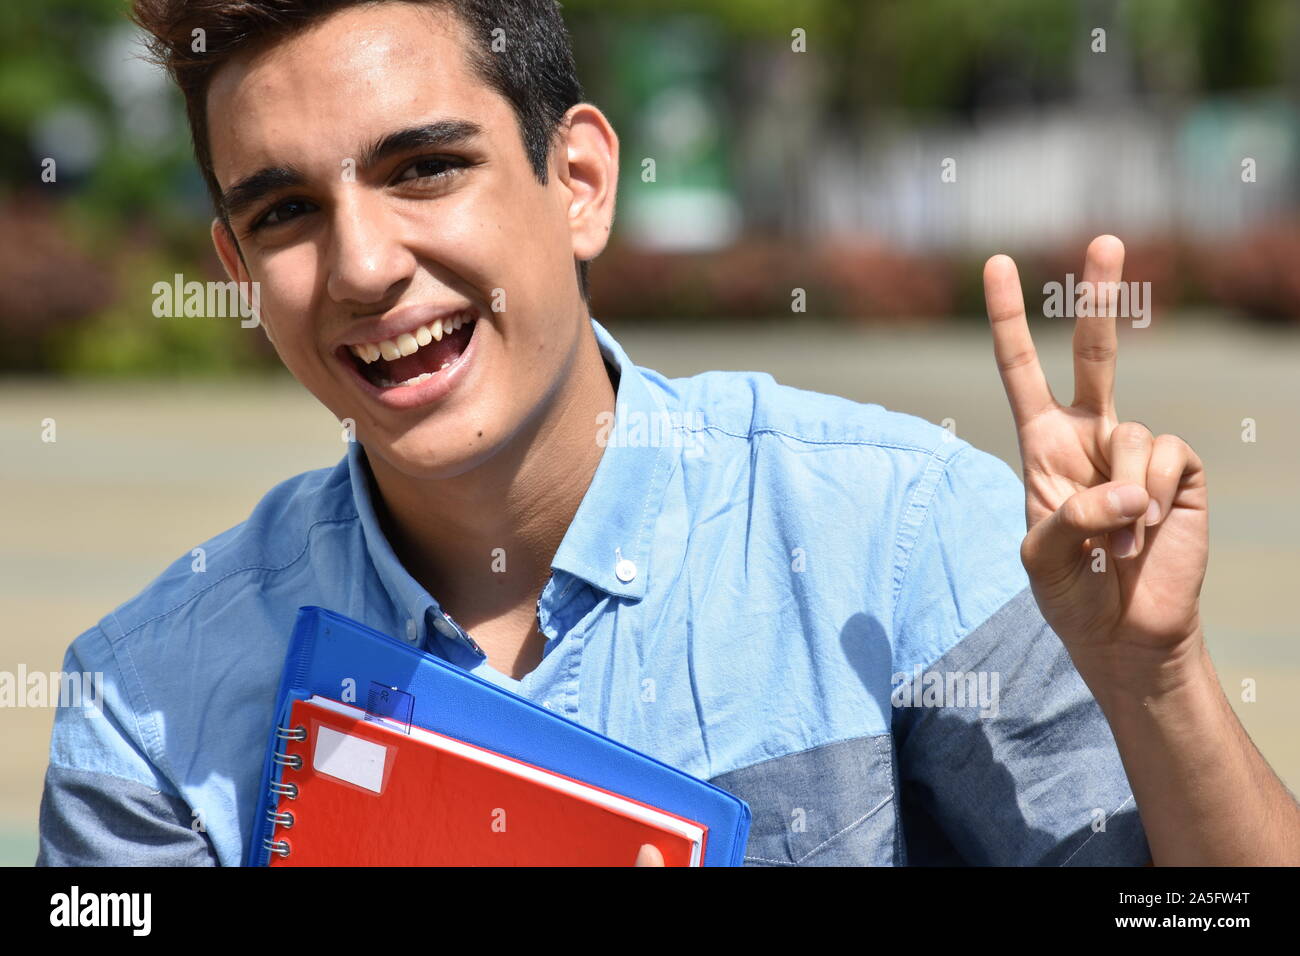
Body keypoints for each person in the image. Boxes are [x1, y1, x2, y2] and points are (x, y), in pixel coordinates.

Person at [37, 0, 1300, 866]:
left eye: (424, 168)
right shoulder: (149, 709)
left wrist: (1157, 682)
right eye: (285, 212)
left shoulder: (897, 536)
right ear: (236, 267)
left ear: (579, 182)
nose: (364, 265)